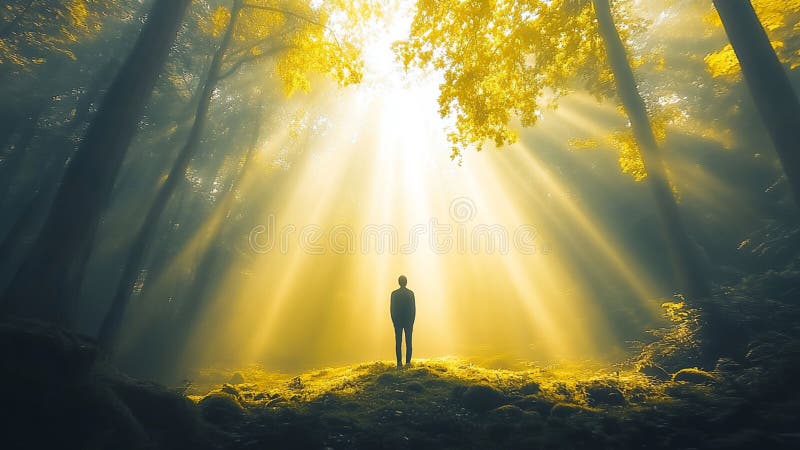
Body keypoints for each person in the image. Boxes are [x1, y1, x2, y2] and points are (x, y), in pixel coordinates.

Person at [390, 275, 415, 368]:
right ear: (406, 282)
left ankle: (399, 363)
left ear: (398, 282)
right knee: (409, 342)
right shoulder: (410, 293)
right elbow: (413, 309)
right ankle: (408, 363)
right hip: (408, 321)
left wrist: (394, 321)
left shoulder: (394, 294)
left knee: (398, 342)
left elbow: (392, 309)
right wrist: (412, 321)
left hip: (398, 321)